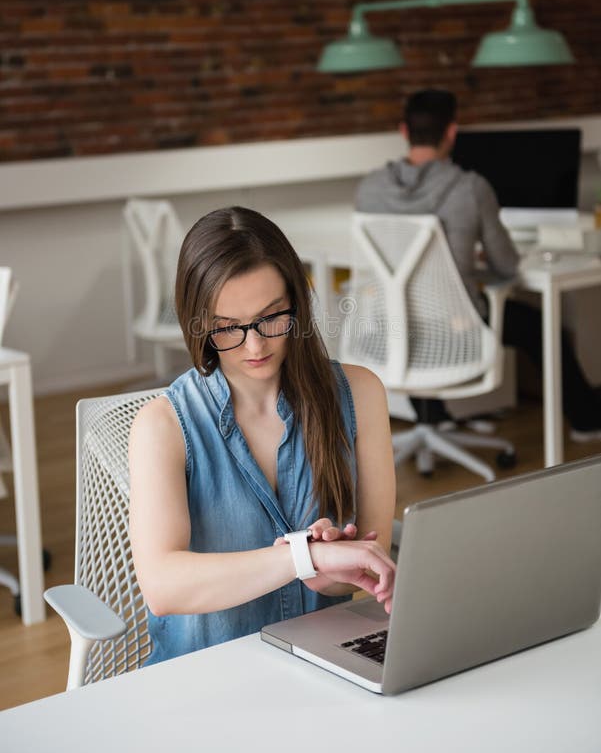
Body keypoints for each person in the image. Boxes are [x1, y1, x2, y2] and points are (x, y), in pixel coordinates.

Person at [129, 206, 396, 666]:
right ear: (199, 323)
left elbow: (365, 570)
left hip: (318, 669)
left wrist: (331, 569)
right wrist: (303, 557)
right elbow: (162, 587)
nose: (256, 346)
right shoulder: (162, 425)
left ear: (298, 301)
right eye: (228, 327)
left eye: (273, 317)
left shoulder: (361, 395)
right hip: (202, 682)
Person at [356, 88, 601, 440]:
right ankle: (586, 421)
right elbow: (507, 266)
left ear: (404, 131)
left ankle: (432, 415)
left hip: (391, 329)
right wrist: (471, 261)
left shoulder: (369, 189)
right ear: (452, 132)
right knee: (539, 325)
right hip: (455, 332)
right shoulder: (469, 188)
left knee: (415, 311)